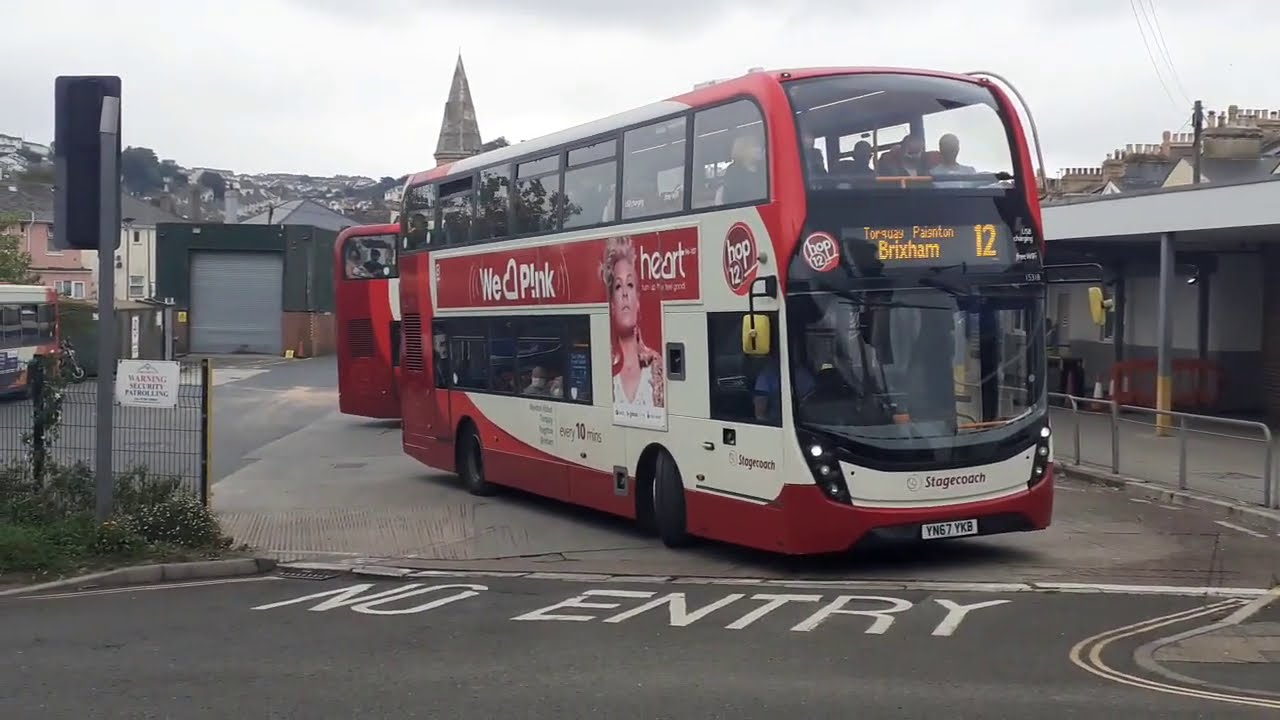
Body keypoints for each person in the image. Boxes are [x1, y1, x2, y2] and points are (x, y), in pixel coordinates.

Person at [603, 236, 664, 409]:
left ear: (637, 301)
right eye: (617, 286)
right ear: (612, 304)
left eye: (629, 285)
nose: (624, 293)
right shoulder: (604, 367)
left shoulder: (656, 366)